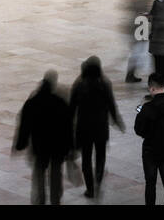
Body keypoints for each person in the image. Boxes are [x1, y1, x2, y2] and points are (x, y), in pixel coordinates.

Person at [13, 71, 72, 206]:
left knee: (39, 173)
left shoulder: (32, 102)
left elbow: (25, 125)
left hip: (40, 146)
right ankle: (55, 199)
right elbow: (67, 126)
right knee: (56, 174)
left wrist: (21, 143)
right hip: (57, 146)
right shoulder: (59, 102)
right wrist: (70, 146)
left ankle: (40, 200)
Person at [69, 56, 124, 199]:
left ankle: (90, 189)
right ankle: (98, 180)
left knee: (86, 159)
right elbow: (111, 105)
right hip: (100, 127)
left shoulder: (79, 84)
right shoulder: (104, 84)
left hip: (84, 128)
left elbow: (71, 109)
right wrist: (117, 121)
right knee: (100, 156)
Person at [134, 73, 164, 206]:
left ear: (151, 88)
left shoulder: (147, 108)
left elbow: (138, 129)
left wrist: (140, 108)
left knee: (150, 183)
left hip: (150, 150)